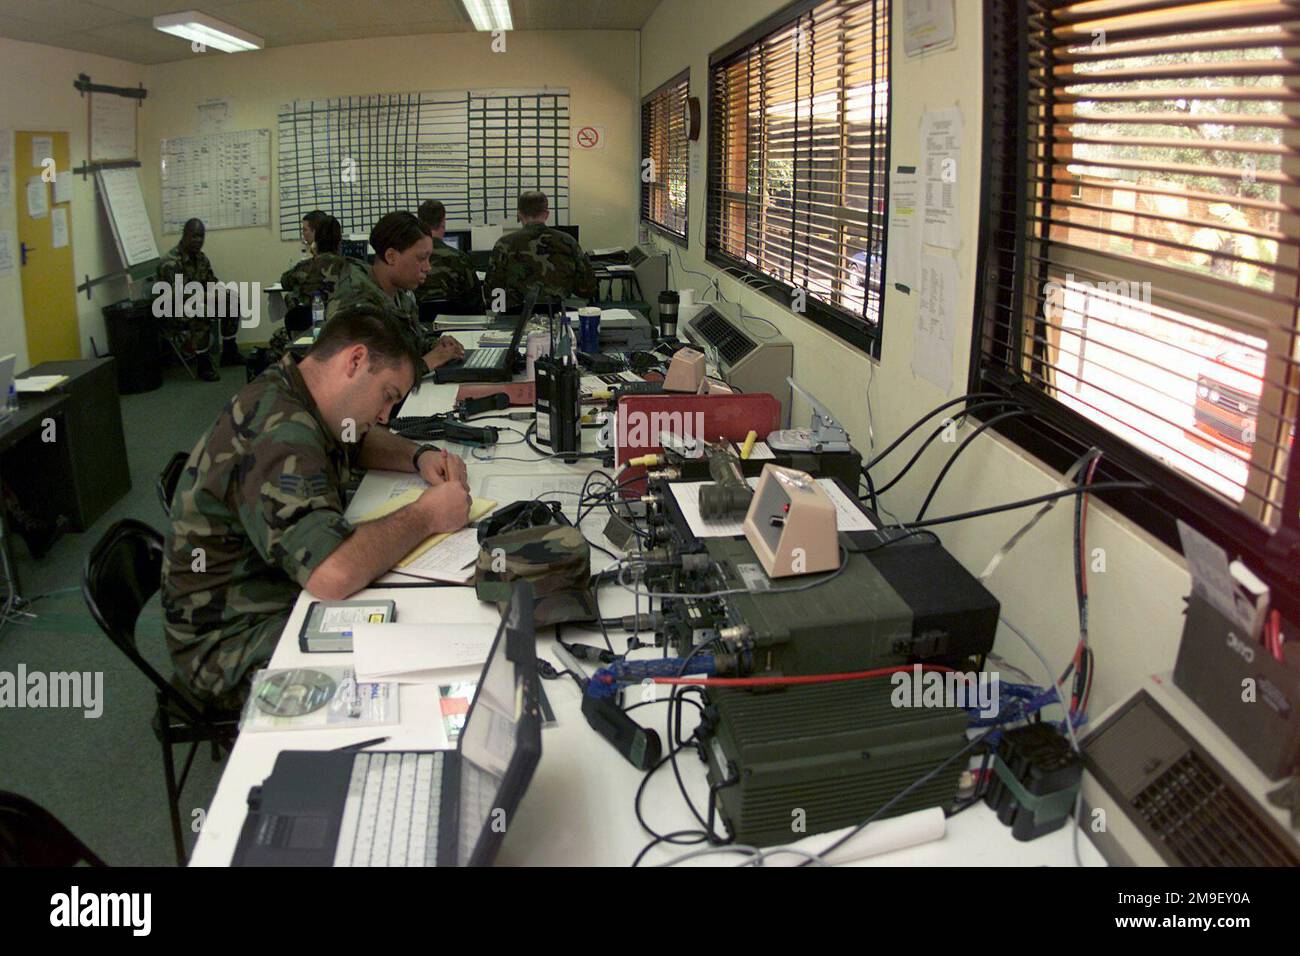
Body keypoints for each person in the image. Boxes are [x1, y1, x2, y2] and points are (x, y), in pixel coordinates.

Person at [162, 305, 472, 707]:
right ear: (355, 360)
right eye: (387, 396)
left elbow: (353, 439)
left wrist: (417, 456)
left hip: (263, 592)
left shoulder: (297, 385)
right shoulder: (282, 433)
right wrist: (428, 514)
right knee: (412, 653)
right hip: (227, 640)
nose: (384, 415)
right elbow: (332, 573)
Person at [327, 211, 465, 372]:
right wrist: (429, 362)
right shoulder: (355, 305)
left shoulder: (398, 296)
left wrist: (437, 346)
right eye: (421, 258)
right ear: (391, 256)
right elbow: (369, 378)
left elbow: (408, 345)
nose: (428, 267)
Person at [484, 190, 598, 311]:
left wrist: (501, 317)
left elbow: (493, 292)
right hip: (557, 316)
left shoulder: (504, 244)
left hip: (516, 317)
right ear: (547, 214)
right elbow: (587, 289)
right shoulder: (568, 242)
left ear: (519, 214)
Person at [415, 199, 481, 312]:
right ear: (443, 223)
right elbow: (476, 303)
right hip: (457, 324)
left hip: (419, 326)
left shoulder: (410, 258)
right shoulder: (460, 258)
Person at [280, 215, 349, 311]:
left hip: (312, 320)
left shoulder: (306, 267)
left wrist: (316, 257)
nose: (303, 234)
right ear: (339, 241)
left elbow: (284, 281)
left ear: (316, 237)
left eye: (305, 230)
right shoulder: (350, 267)